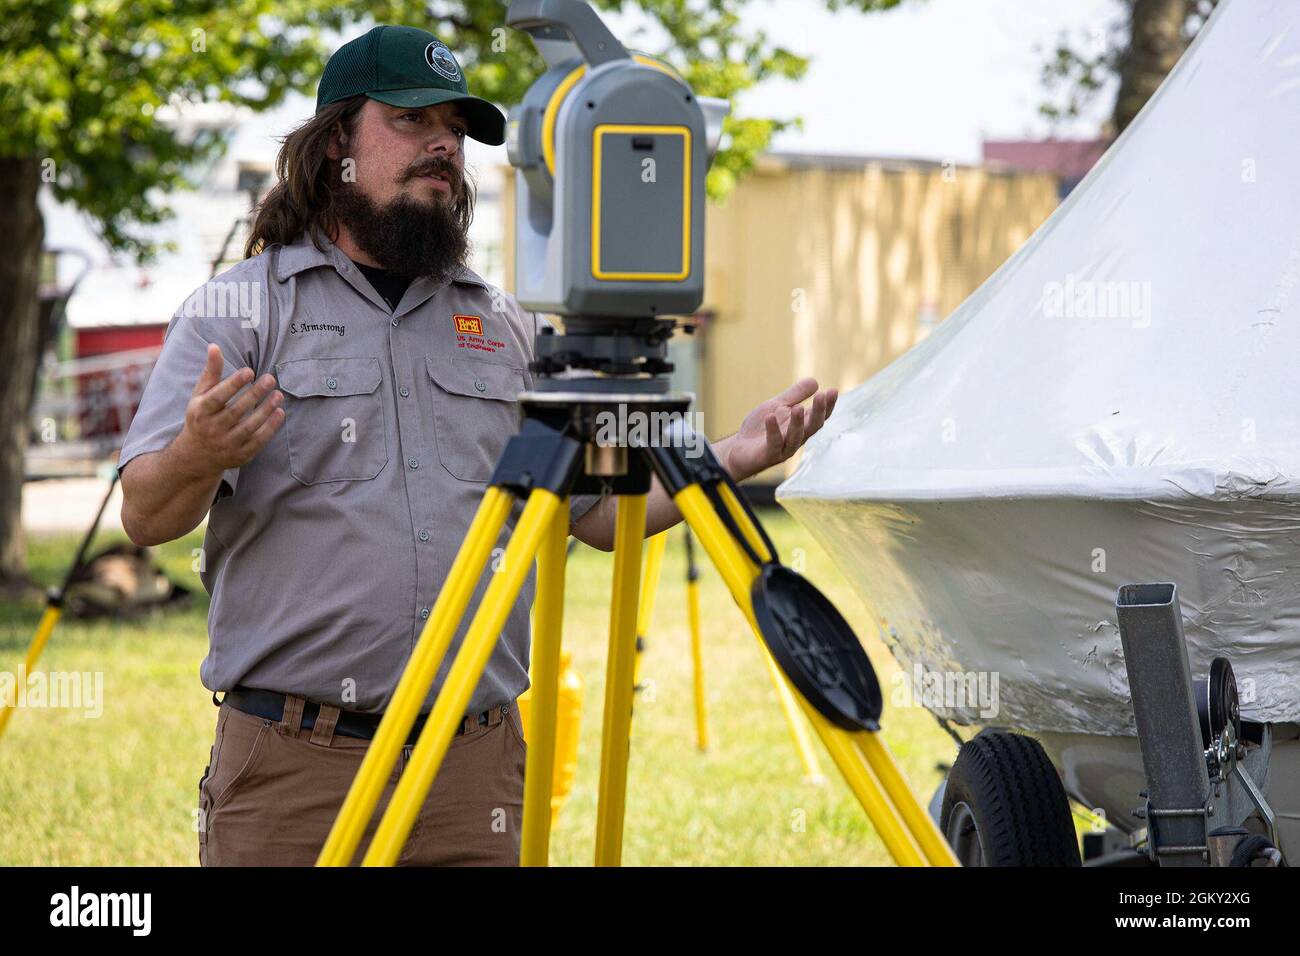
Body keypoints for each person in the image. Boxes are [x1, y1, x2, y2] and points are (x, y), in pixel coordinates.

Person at [118, 24, 838, 866]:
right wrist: (200, 451)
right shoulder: (237, 312)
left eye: (455, 132)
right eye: (412, 122)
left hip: (475, 774)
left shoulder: (508, 327)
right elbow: (145, 514)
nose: (443, 146)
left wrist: (731, 456)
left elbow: (600, 514)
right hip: (298, 771)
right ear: (332, 147)